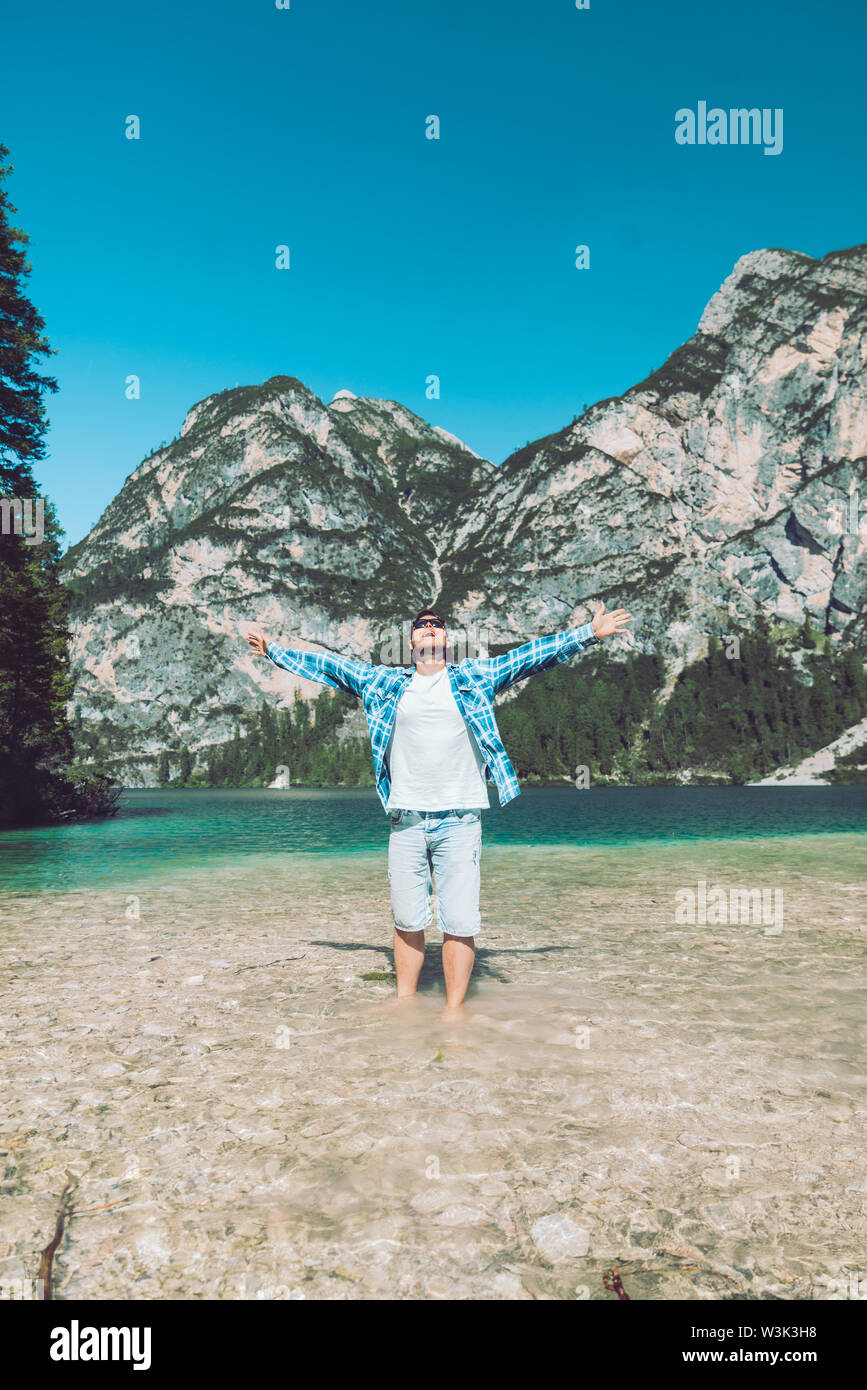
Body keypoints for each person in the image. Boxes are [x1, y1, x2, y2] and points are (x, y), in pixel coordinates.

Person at [245, 603, 631, 1012]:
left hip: (460, 820)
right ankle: (405, 1006)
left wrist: (588, 632)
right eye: (422, 626)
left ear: (447, 640)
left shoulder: (475, 677)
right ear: (411, 642)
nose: (430, 629)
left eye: (437, 626)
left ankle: (452, 1014)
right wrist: (275, 651)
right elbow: (330, 666)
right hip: (406, 821)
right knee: (407, 920)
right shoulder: (384, 682)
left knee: (460, 922)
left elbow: (532, 656)